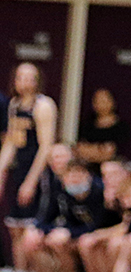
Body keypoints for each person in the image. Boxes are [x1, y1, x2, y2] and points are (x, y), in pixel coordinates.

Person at [4, 62, 59, 265]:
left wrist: (30, 182)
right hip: (19, 170)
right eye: (21, 77)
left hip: (38, 173)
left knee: (31, 233)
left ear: (37, 81)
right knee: (15, 229)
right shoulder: (14, 105)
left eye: (30, 77)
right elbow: (11, 143)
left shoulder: (44, 105)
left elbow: (46, 147)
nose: (25, 82)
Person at [74, 91, 128, 171]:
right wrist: (99, 150)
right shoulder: (87, 124)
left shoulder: (121, 127)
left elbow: (110, 153)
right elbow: (80, 149)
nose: (100, 105)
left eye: (103, 101)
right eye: (96, 101)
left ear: (112, 102)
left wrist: (92, 150)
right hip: (87, 170)